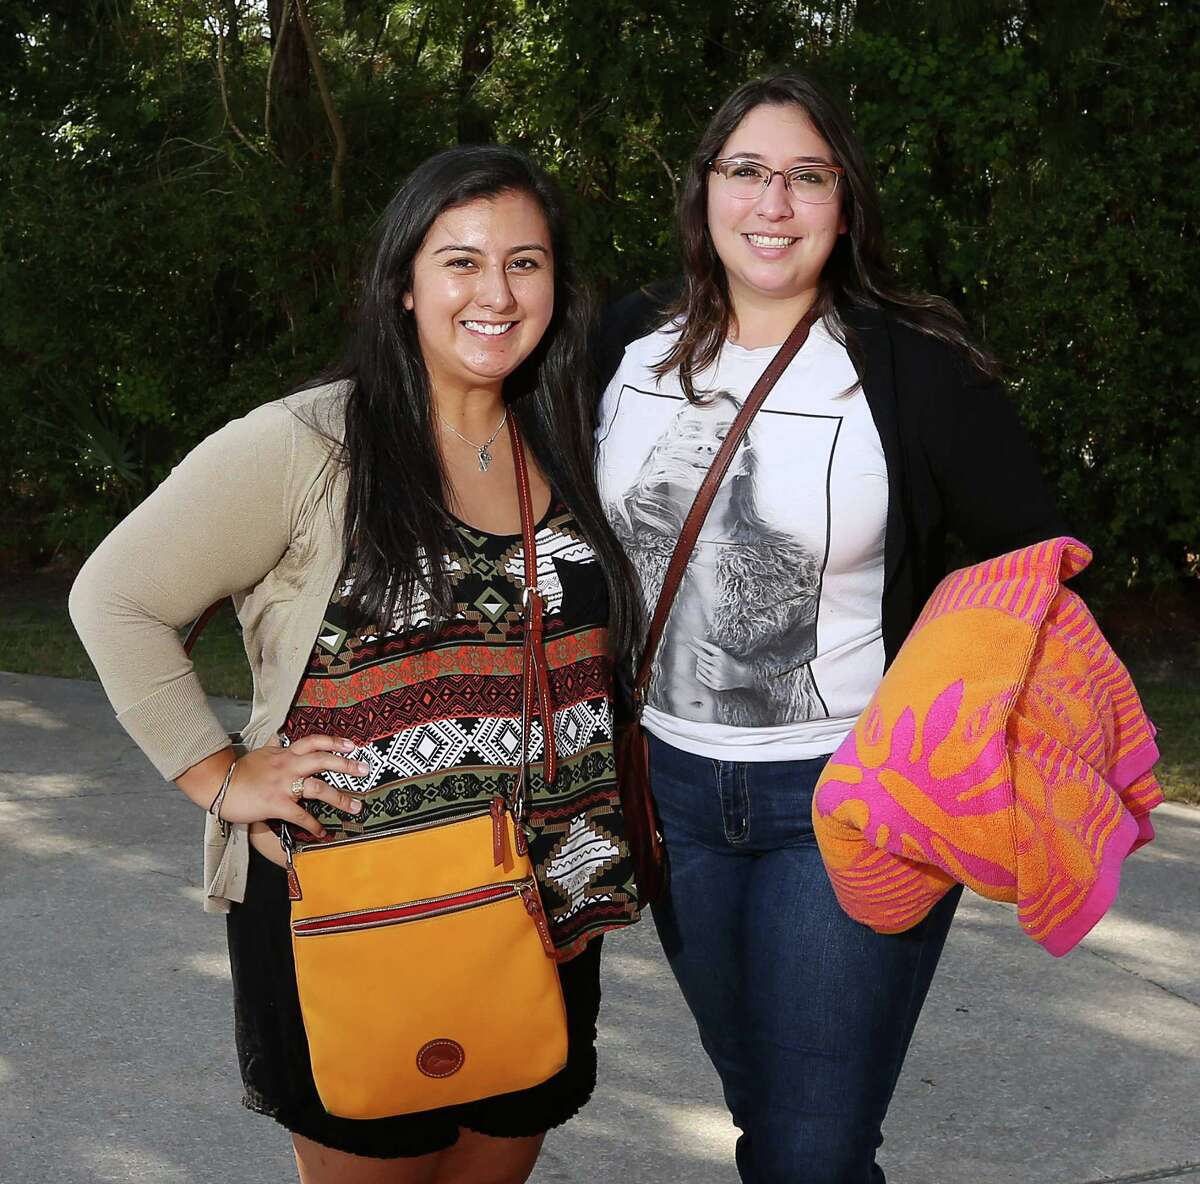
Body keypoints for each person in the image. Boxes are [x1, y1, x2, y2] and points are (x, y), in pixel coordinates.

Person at [70, 145, 641, 1184]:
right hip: (357, 904)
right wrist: (219, 773)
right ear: (404, 283)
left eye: (526, 261)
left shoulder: (568, 439)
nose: (496, 291)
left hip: (549, 899)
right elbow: (114, 595)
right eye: (461, 260)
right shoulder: (308, 442)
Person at [595, 73, 1066, 1183]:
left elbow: (1032, 562)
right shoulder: (625, 339)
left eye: (808, 176)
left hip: (854, 795)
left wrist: (957, 732)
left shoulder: (914, 363)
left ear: (845, 203)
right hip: (672, 794)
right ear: (705, 190)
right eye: (748, 171)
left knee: (811, 1144)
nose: (775, 202)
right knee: (770, 1103)